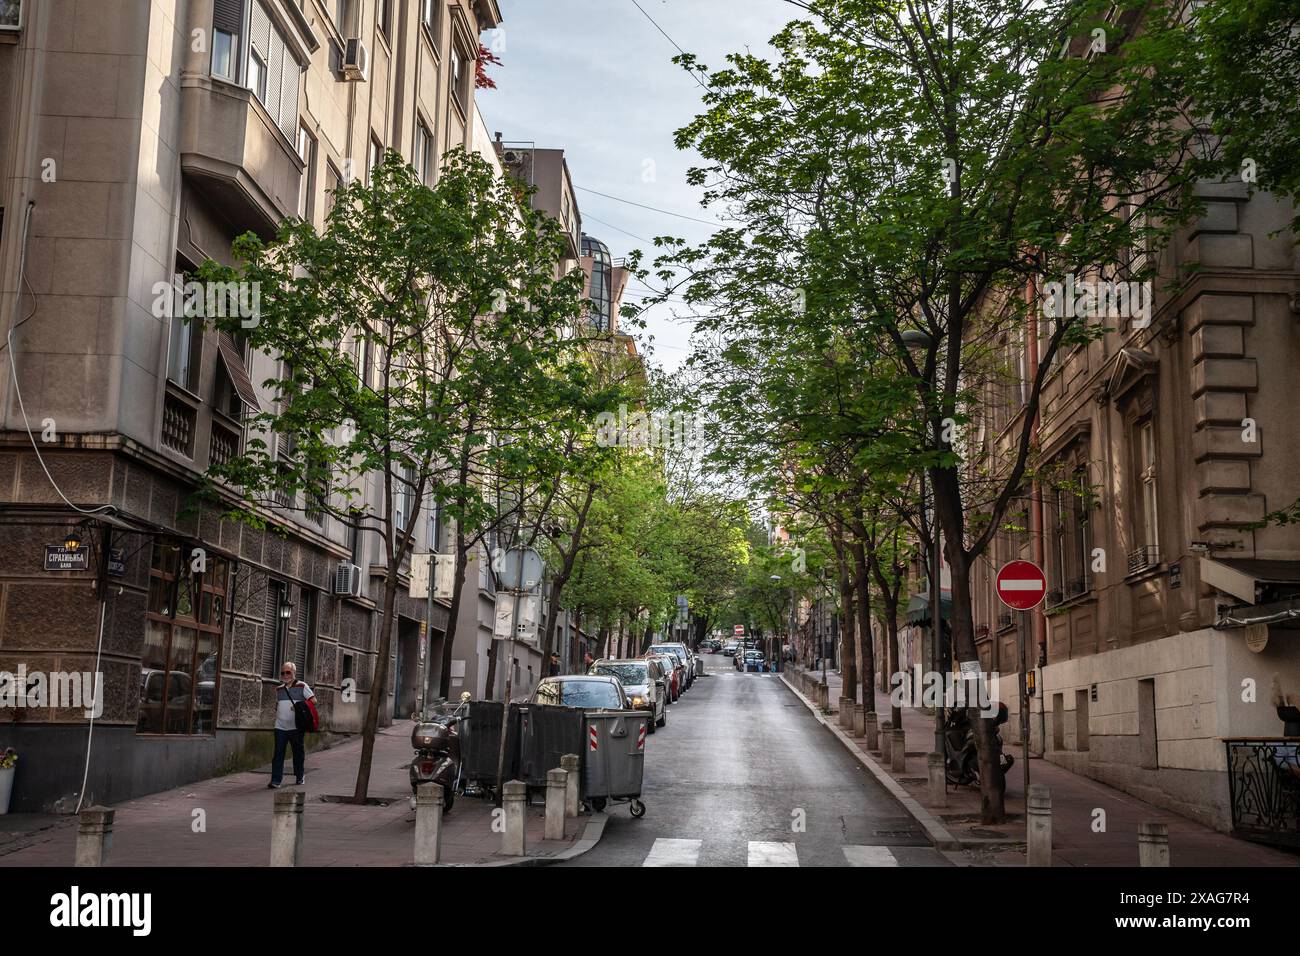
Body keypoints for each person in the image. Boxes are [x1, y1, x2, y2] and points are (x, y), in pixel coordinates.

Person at [269, 662, 317, 789]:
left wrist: (299, 706)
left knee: (298, 753)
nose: (285, 675)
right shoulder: (279, 689)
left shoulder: (302, 686)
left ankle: (300, 776)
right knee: (278, 753)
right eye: (283, 672)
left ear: (294, 673)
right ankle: (275, 780)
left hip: (296, 727)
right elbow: (277, 705)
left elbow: (313, 701)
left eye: (288, 672)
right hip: (280, 727)